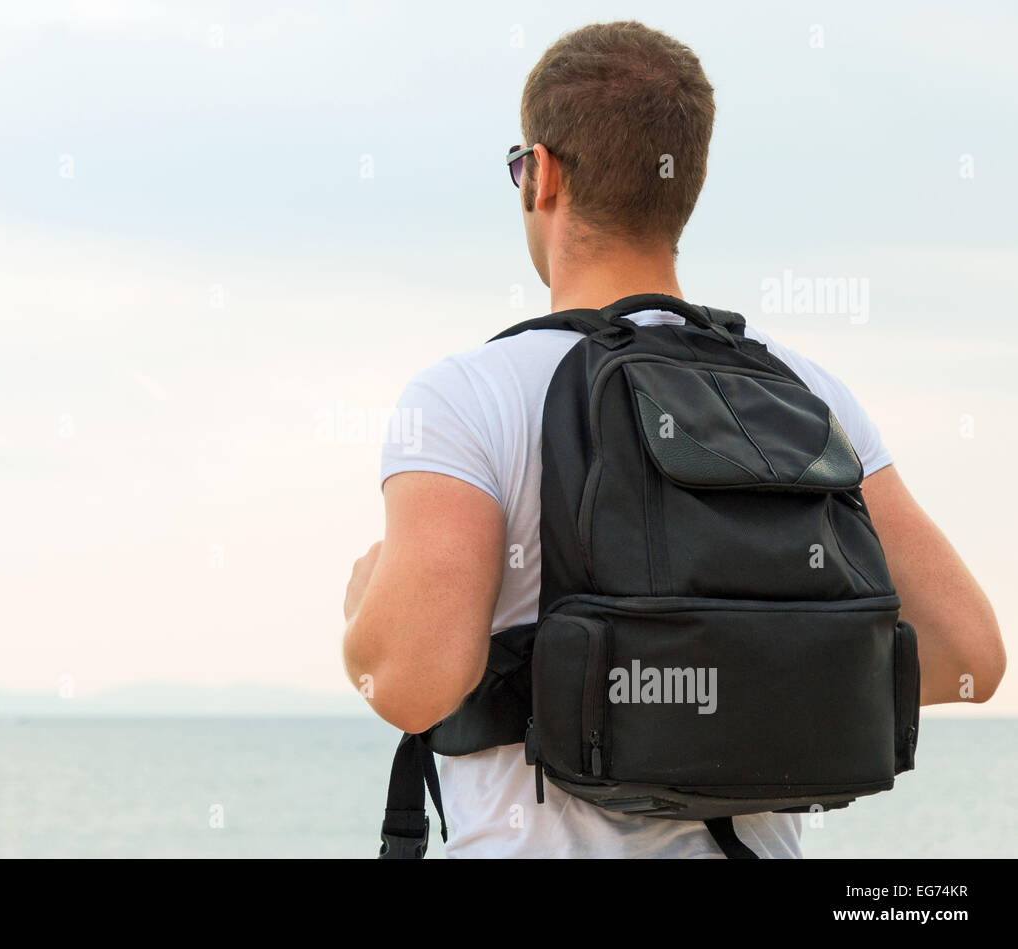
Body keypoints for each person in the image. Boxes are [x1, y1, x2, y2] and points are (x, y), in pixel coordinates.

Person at [340, 20, 1006, 858]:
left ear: (540, 175)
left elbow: (409, 680)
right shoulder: (804, 393)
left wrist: (361, 606)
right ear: (682, 187)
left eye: (521, 167)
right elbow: (969, 654)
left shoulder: (469, 396)